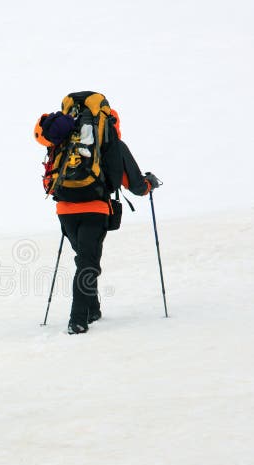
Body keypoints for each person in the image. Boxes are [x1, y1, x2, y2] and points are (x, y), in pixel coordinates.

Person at [35, 99, 161, 335]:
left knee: (84, 260)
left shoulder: (65, 137)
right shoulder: (111, 141)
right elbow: (133, 184)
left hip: (65, 211)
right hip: (94, 209)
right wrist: (148, 185)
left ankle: (92, 309)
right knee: (87, 263)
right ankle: (78, 320)